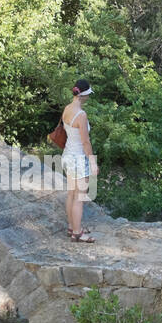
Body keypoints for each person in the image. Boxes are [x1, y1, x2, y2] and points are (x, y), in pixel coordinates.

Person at [61, 79, 97, 242]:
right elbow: (85, 142)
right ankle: (77, 233)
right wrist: (93, 162)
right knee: (79, 196)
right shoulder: (81, 115)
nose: (89, 97)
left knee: (71, 194)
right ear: (83, 95)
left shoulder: (67, 109)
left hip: (67, 155)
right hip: (78, 158)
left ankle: (71, 227)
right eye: (88, 94)